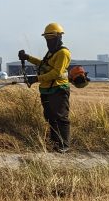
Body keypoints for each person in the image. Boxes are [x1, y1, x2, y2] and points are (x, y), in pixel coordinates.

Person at [18, 22, 71, 153]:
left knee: (60, 117)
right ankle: (54, 143)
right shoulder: (51, 52)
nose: (49, 41)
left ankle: (64, 145)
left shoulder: (63, 53)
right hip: (46, 89)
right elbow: (43, 64)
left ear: (59, 37)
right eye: (47, 38)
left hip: (58, 89)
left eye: (51, 38)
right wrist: (27, 57)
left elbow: (56, 73)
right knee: (50, 117)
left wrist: (36, 78)